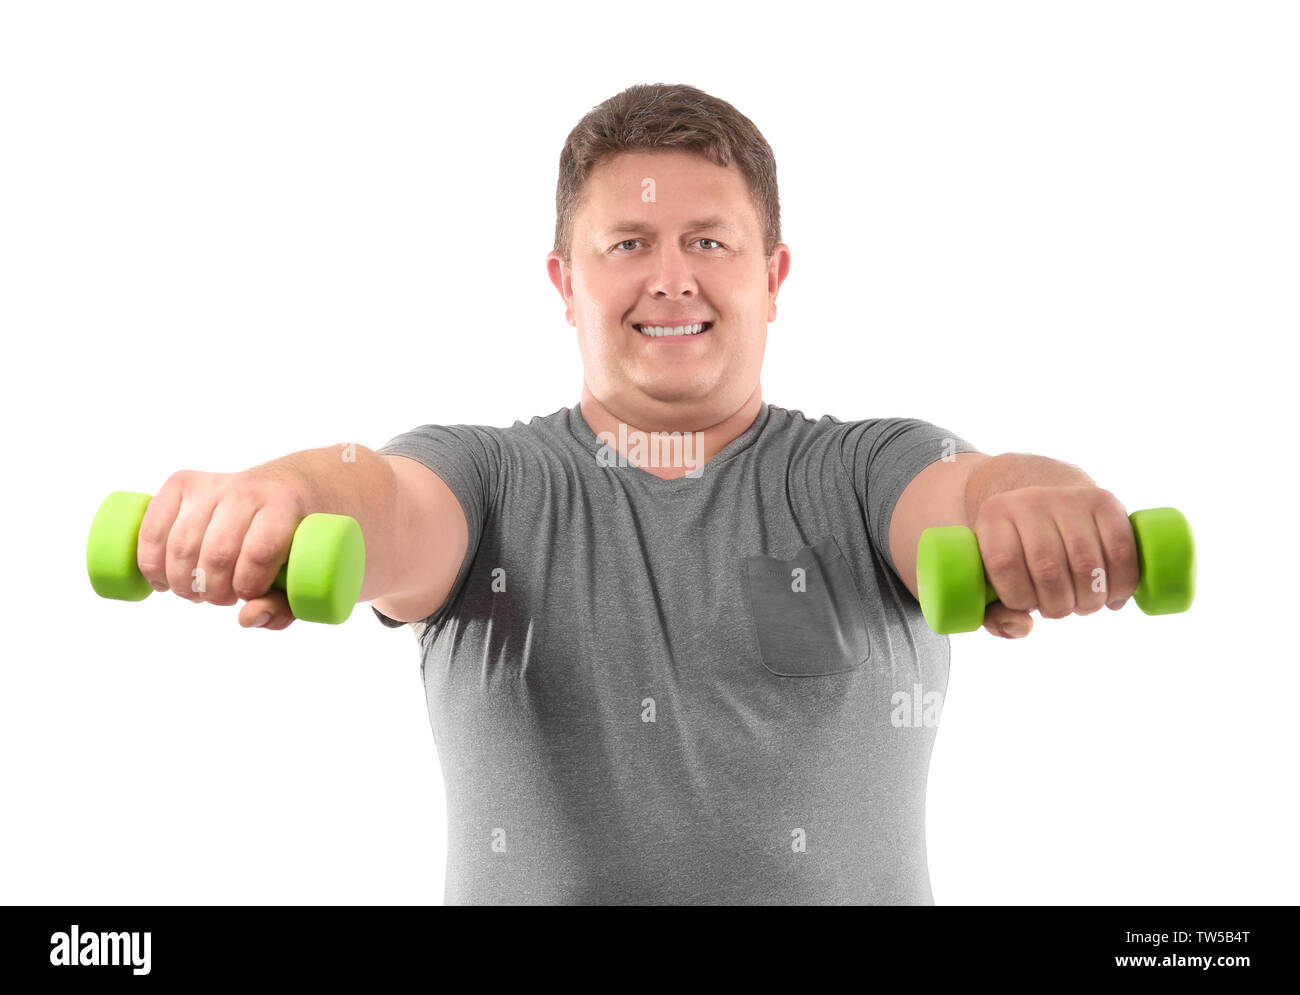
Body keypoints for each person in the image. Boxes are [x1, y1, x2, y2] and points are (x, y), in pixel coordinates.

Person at [137, 83, 1139, 905]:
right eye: (627, 244)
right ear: (564, 283)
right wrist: (280, 493)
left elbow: (967, 492)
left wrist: (1036, 496)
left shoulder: (870, 465)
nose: (670, 280)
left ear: (773, 275)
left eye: (708, 242)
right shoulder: (486, 477)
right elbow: (376, 498)